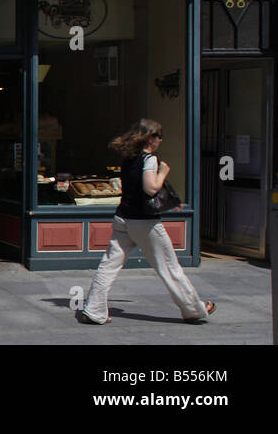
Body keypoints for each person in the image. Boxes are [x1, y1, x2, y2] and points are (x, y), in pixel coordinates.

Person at [79, 119, 213, 325]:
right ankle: (194, 309)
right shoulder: (149, 159)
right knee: (169, 267)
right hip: (144, 222)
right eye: (159, 137)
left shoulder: (128, 157)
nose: (160, 140)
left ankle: (93, 310)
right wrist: (163, 172)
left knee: (109, 264)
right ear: (150, 138)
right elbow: (150, 188)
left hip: (123, 217)